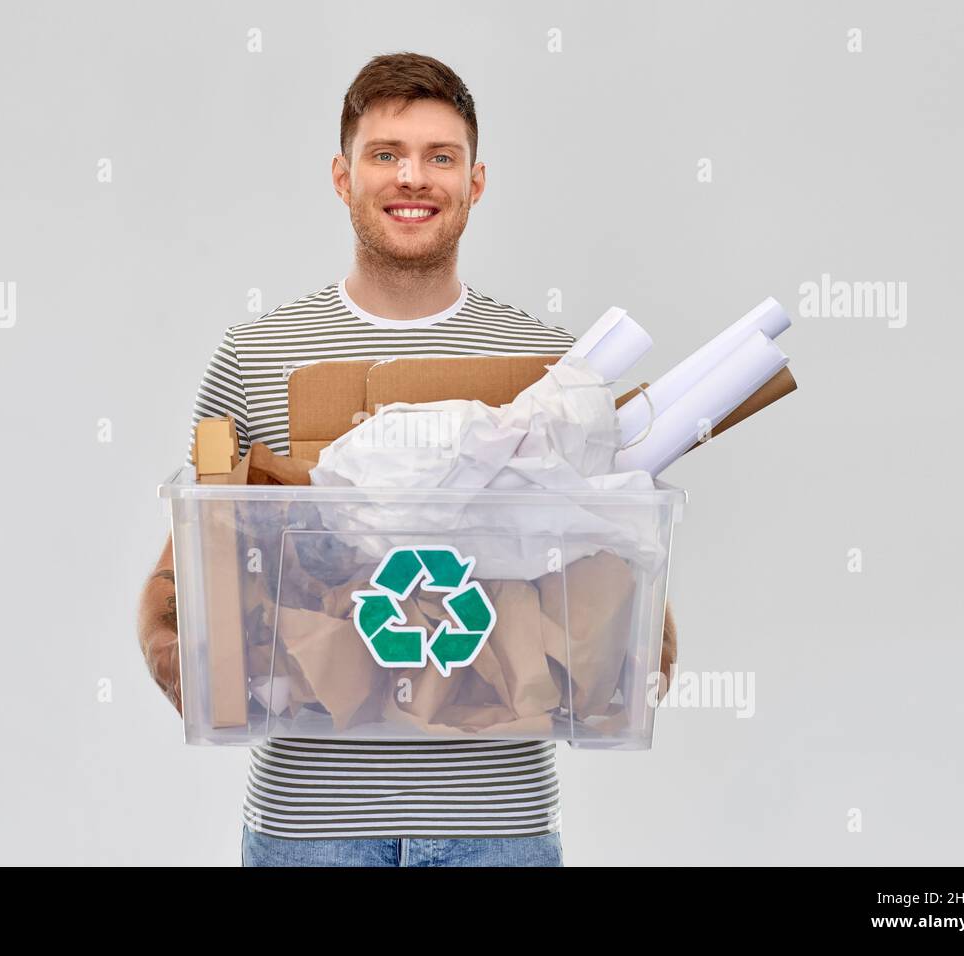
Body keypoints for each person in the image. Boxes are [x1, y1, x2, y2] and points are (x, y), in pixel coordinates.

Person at [137, 52, 675, 867]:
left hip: (498, 823)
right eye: (385, 154)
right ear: (342, 175)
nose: (412, 179)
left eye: (440, 156)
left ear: (477, 180)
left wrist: (629, 670)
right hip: (309, 822)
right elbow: (189, 577)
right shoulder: (259, 355)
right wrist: (202, 673)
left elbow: (615, 575)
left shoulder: (551, 370)